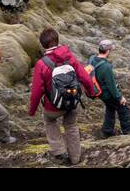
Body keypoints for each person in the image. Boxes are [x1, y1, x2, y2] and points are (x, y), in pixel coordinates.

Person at [28, 27, 100, 165]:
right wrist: (91, 92)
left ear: (43, 45)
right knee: (71, 126)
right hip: (72, 101)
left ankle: (59, 151)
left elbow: (37, 91)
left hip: (52, 106)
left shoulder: (41, 64)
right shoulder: (69, 57)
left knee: (49, 121)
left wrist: (32, 110)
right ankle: (75, 158)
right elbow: (84, 77)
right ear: (57, 41)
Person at [87, 39, 130, 139]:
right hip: (106, 93)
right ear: (108, 51)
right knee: (123, 108)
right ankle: (128, 132)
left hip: (98, 92)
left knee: (110, 107)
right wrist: (120, 97)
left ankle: (107, 130)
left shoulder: (92, 59)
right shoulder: (106, 67)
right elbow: (112, 86)